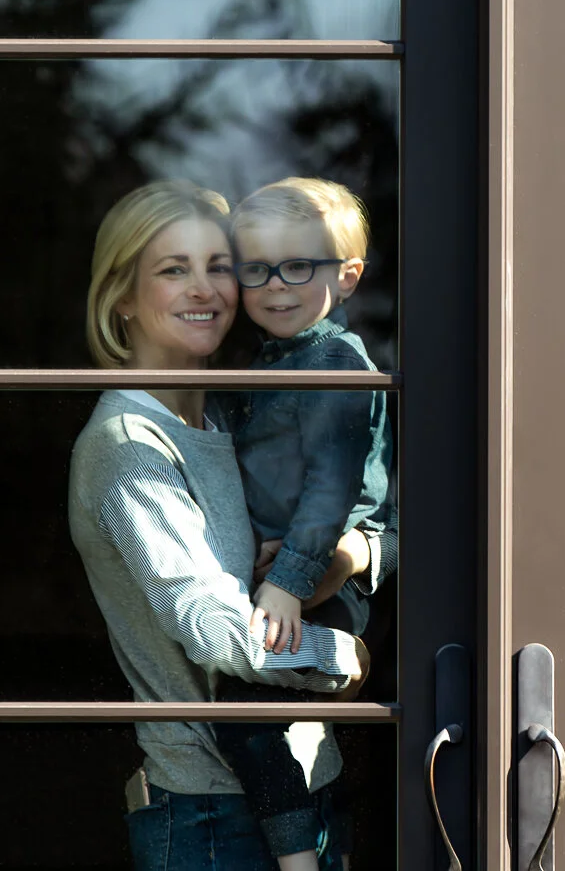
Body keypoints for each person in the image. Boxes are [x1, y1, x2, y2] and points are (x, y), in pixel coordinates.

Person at [68, 181, 381, 871]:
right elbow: (213, 629)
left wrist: (358, 551)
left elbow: (366, 497)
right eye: (173, 269)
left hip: (313, 786)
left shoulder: (234, 414)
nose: (204, 288)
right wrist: (346, 659)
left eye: (218, 266)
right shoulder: (128, 444)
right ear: (122, 297)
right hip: (211, 815)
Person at [209, 177, 396, 871]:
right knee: (267, 723)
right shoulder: (268, 361)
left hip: (323, 582)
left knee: (245, 714)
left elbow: (331, 487)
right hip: (283, 573)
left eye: (297, 267)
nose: (275, 287)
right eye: (256, 269)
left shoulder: (336, 361)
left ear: (347, 277)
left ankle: (298, 860)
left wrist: (290, 581)